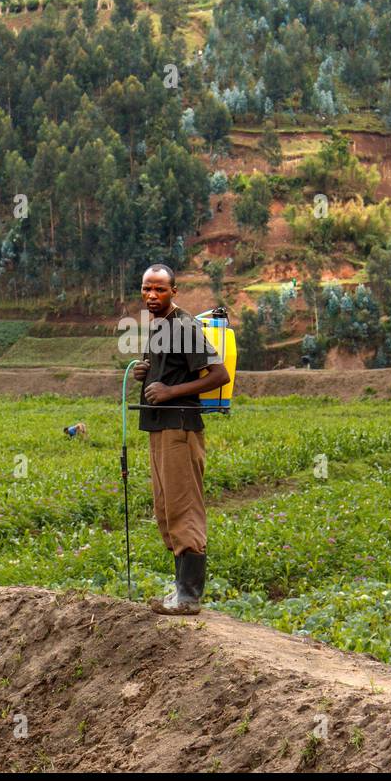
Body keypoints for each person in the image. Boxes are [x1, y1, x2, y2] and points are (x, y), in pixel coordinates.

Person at [133, 264, 231, 615]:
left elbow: (218, 374)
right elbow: (164, 375)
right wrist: (145, 374)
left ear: (174, 291)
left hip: (180, 428)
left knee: (184, 507)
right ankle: (179, 591)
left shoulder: (184, 325)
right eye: (147, 289)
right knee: (166, 509)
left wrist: (171, 390)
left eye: (159, 290)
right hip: (159, 428)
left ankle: (189, 596)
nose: (152, 296)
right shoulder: (158, 327)